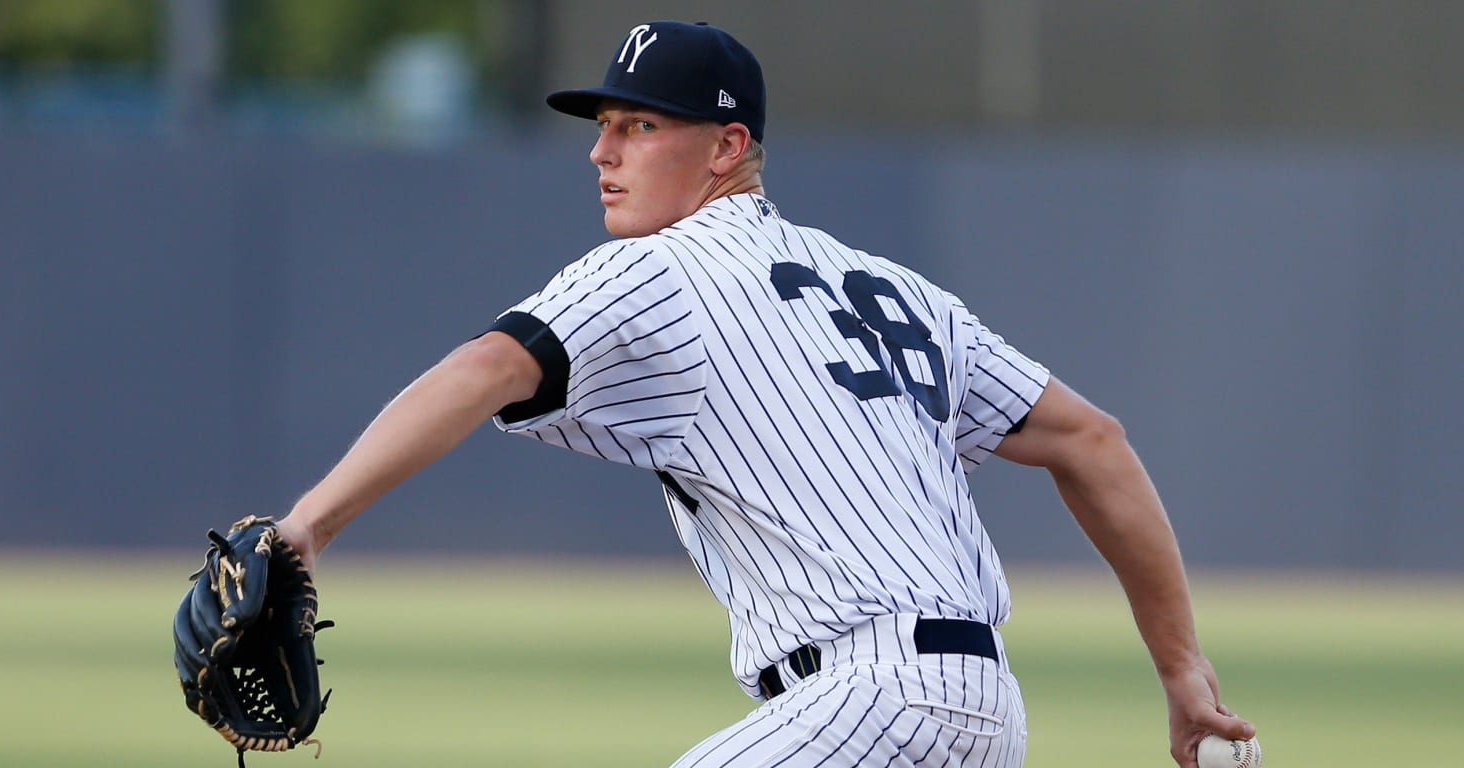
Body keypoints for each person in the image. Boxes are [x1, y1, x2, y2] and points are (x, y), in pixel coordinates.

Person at [275, 20, 1255, 768]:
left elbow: (484, 369)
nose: (601, 153)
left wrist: (307, 529)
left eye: (638, 126)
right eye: (603, 127)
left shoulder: (660, 269)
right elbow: (1094, 439)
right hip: (984, 714)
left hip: (874, 702)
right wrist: (1180, 668)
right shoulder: (904, 293)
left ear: (725, 147)